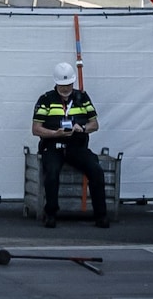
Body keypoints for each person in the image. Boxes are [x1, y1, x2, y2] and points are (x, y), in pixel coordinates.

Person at [30, 64, 109, 229]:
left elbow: (95, 124)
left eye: (69, 85)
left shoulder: (82, 97)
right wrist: (55, 133)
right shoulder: (46, 99)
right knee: (51, 173)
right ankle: (50, 213)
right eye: (62, 85)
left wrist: (83, 128)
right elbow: (36, 129)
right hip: (52, 146)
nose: (66, 88)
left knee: (96, 171)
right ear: (56, 83)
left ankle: (101, 215)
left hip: (77, 146)